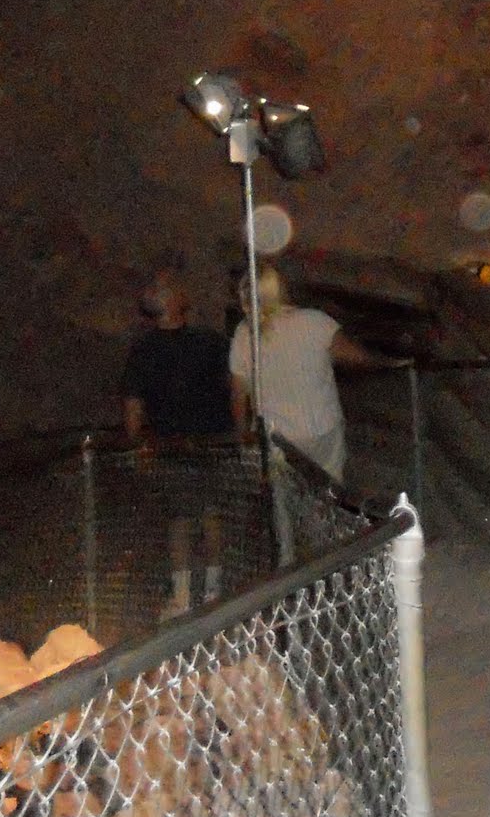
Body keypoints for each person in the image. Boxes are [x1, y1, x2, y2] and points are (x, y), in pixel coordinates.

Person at [121, 270, 242, 617]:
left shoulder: (195, 342)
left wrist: (137, 444)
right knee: (194, 516)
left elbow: (133, 402)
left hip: (199, 443)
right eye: (173, 289)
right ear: (170, 304)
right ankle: (196, 590)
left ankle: (196, 590)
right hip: (186, 445)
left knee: (195, 516)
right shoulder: (199, 342)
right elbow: (134, 401)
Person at [228, 263, 401, 487]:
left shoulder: (244, 335)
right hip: (322, 431)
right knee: (330, 492)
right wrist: (391, 362)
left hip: (278, 438)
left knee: (284, 500)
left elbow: (239, 394)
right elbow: (357, 357)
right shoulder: (315, 321)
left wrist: (242, 435)